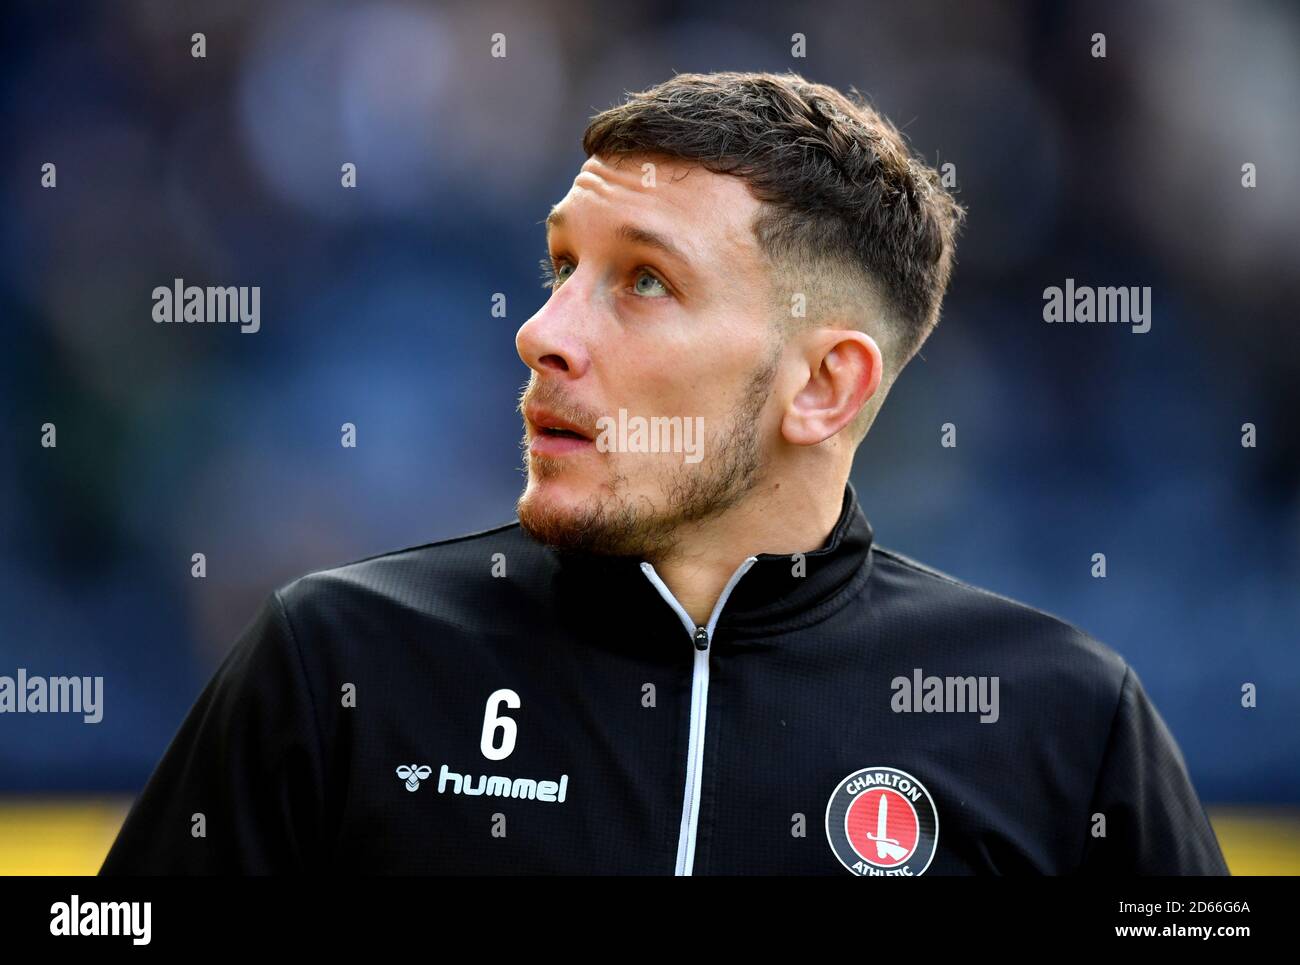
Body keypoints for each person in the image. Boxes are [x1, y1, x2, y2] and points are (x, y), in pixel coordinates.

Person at [100, 70, 1228, 875]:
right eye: (560, 265)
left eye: (643, 281)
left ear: (825, 387)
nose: (541, 331)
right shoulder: (334, 659)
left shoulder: (1065, 726)